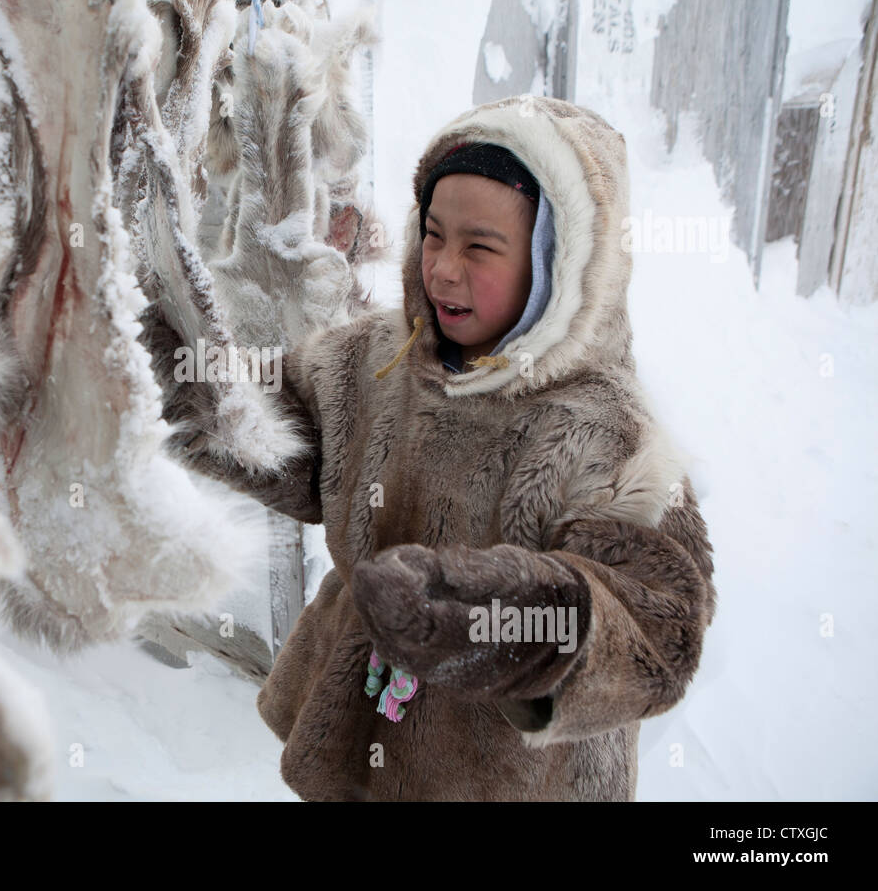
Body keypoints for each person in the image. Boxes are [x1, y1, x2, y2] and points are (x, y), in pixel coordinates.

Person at [139, 95, 717, 801]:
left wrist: (488, 620)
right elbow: (281, 435)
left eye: (480, 246)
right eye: (434, 234)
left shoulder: (607, 434)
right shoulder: (378, 358)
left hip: (502, 776)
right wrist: (161, 359)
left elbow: (658, 627)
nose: (441, 269)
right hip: (356, 733)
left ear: (560, 261)